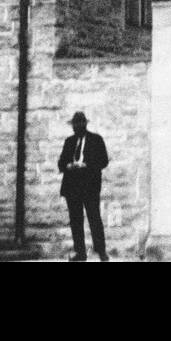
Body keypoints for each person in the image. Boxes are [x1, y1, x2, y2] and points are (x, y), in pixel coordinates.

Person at [57, 111, 110, 261]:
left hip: (90, 186)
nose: (76, 127)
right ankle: (80, 252)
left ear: (85, 124)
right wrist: (69, 165)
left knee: (94, 218)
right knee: (75, 220)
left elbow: (104, 161)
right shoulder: (69, 142)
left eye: (79, 124)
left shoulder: (96, 140)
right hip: (72, 187)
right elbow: (61, 163)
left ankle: (101, 251)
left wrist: (87, 165)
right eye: (74, 125)